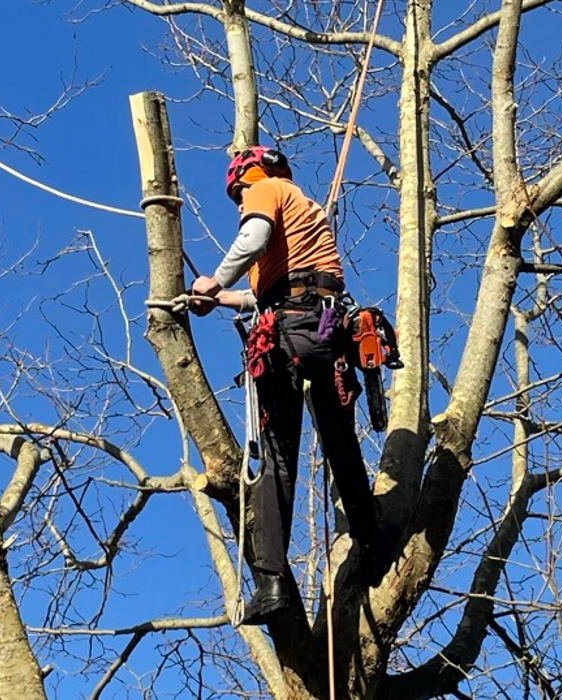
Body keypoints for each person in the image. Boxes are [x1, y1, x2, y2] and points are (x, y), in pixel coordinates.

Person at [184, 146, 396, 625]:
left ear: (248, 178)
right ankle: (373, 543)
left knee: (278, 460)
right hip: (322, 330)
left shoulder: (266, 189)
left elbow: (253, 238)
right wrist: (219, 299)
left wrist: (213, 281)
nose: (241, 205)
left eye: (239, 195)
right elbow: (267, 294)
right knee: (342, 446)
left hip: (291, 333)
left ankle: (274, 582)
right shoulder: (304, 215)